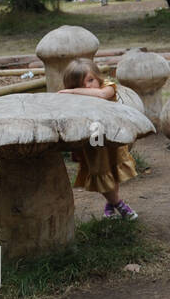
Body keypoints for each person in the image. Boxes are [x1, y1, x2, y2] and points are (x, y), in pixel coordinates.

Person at [57, 58, 139, 220]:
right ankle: (119, 205)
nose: (87, 86)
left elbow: (101, 95)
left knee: (113, 172)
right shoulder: (77, 98)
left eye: (90, 80)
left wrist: (73, 92)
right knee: (101, 172)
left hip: (112, 138)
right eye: (80, 84)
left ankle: (111, 204)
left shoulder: (108, 87)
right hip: (94, 141)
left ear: (98, 76)